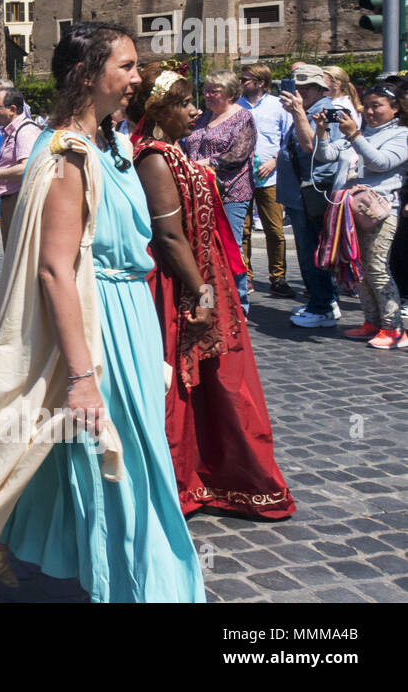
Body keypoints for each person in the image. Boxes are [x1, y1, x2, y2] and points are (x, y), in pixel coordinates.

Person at [0, 22, 205, 603]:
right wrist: (84, 378)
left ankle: (17, 529)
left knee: (111, 455)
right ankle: (147, 589)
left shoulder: (112, 143)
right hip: (100, 320)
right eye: (128, 66)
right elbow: (55, 270)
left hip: (130, 313)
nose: (139, 78)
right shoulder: (68, 154)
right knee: (126, 463)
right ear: (89, 76)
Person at [128, 65, 296, 520]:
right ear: (160, 110)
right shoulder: (154, 157)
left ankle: (219, 476)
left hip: (205, 277)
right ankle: (181, 479)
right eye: (184, 104)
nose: (194, 110)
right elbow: (169, 237)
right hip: (181, 284)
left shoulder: (173, 151)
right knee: (182, 383)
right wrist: (200, 293)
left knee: (221, 381)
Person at [313, 79, 408, 347]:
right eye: (366, 106)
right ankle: (372, 322)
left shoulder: (402, 134)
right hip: (350, 211)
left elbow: (380, 163)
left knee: (377, 268)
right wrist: (322, 132)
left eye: (376, 106)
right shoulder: (363, 130)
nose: (369, 111)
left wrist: (355, 135)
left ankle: (394, 329)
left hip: (381, 212)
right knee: (361, 268)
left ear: (395, 109)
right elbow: (326, 155)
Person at [181, 70, 256, 311]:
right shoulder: (202, 118)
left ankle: (238, 305)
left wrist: (206, 163)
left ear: (231, 94)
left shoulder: (243, 118)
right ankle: (207, 303)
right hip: (197, 191)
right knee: (200, 248)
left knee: (229, 248)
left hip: (229, 193)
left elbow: (238, 154)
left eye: (215, 91)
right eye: (206, 90)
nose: (208, 95)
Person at [277, 66, 342, 327]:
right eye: (298, 88)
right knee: (310, 248)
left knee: (310, 251)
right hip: (301, 193)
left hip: (313, 192)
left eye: (306, 88)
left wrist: (298, 112)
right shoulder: (310, 110)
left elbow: (311, 147)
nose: (300, 92)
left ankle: (322, 306)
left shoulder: (326, 112)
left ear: (319, 89)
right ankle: (325, 300)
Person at [238, 64, 294, 296]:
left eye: (245, 80)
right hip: (241, 176)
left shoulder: (278, 106)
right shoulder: (235, 106)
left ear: (261, 83)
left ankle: (278, 278)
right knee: (244, 229)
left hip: (269, 176)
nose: (241, 83)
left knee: (274, 230)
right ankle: (246, 277)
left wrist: (274, 160)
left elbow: (289, 139)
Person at [0, 88, 41, 247]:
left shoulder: (25, 130)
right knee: (11, 254)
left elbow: (26, 168)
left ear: (12, 109)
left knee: (17, 255)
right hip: (10, 201)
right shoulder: (10, 131)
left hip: (18, 201)